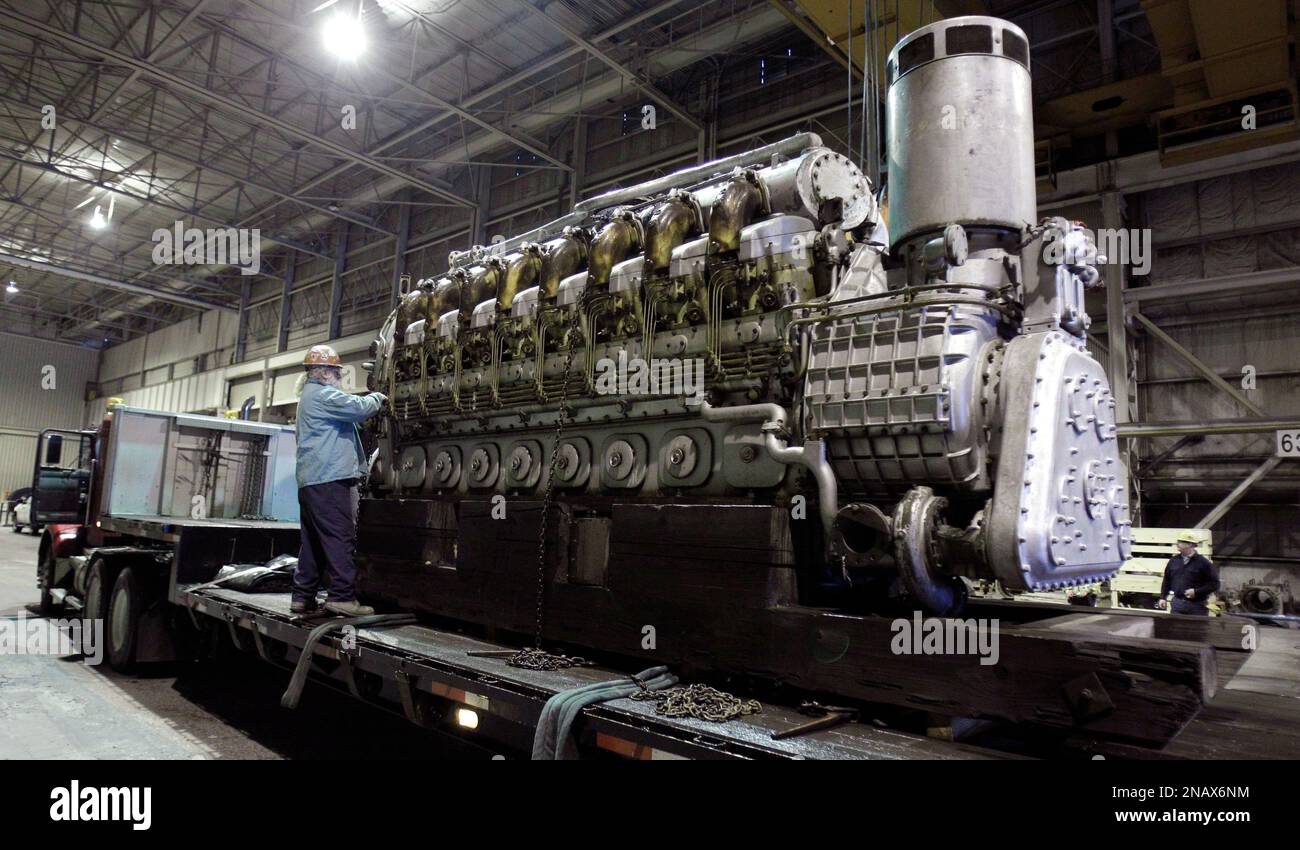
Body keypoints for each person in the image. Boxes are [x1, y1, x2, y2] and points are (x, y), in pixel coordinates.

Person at [291, 344, 387, 616]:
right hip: (329, 478)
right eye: (336, 371)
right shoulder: (323, 396)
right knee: (339, 537)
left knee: (313, 542)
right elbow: (357, 407)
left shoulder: (310, 397)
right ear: (323, 372)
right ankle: (342, 597)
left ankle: (302, 596)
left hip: (312, 480)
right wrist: (379, 398)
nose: (339, 377)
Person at [1157, 530, 1219, 616]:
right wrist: (1163, 597)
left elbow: (1215, 584)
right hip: (1177, 604)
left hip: (1197, 606)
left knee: (1195, 629)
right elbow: (1167, 580)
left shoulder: (1203, 563)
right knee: (1175, 628)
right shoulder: (1173, 561)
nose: (1177, 544)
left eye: (1180, 542)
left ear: (1190, 544)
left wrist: (1196, 592)